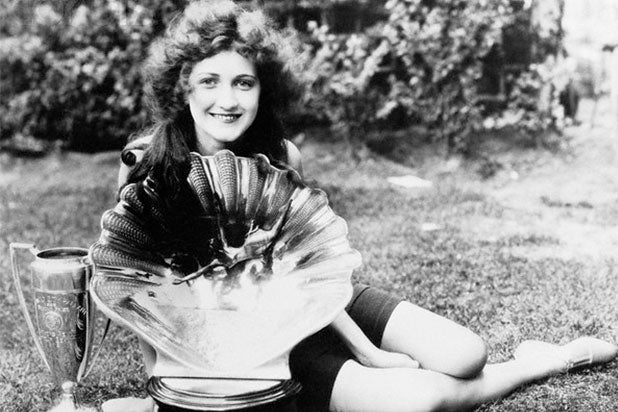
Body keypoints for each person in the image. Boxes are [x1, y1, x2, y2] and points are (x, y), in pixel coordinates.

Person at [106, 1, 618, 411]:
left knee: (467, 354)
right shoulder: (144, 163)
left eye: (244, 82)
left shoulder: (282, 155)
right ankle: (546, 362)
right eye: (209, 81)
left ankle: (509, 356)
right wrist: (158, 388)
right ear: (183, 88)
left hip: (320, 300)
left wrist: (368, 352)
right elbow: (138, 289)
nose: (228, 100)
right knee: (418, 401)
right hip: (257, 348)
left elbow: (304, 270)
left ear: (264, 87)